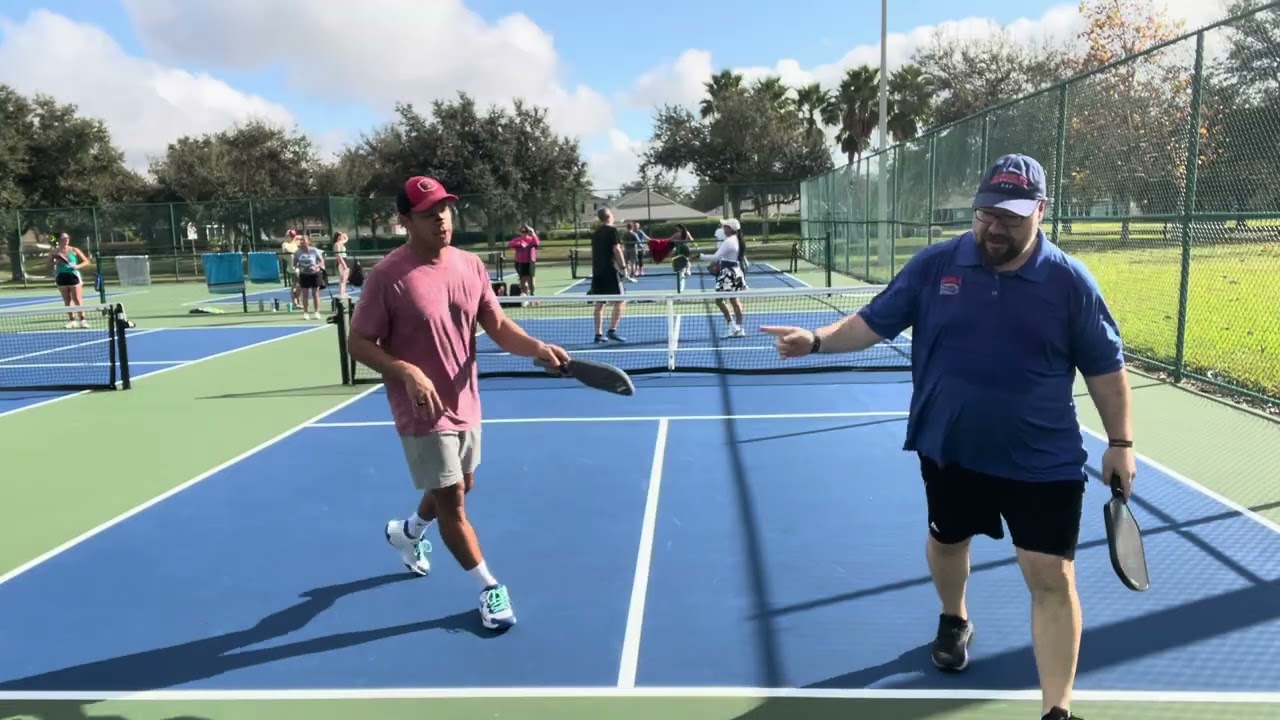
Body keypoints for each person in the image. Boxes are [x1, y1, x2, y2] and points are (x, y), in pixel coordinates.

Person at [761, 154, 1136, 720]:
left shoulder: (1070, 282)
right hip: (950, 448)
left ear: (1040, 211)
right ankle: (955, 617)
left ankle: (1056, 711)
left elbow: (1106, 371)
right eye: (986, 213)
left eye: (1010, 216)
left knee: (1051, 576)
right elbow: (870, 322)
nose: (994, 227)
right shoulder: (937, 265)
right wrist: (816, 340)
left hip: (1042, 459)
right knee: (947, 542)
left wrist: (1121, 443)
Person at [347, 175, 571, 632]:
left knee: (463, 484)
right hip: (422, 410)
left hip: (466, 399)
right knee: (454, 506)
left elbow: (498, 326)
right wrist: (407, 372)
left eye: (445, 209)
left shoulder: (470, 266)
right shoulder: (388, 277)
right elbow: (357, 343)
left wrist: (537, 349)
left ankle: (407, 532)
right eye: (429, 213)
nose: (441, 219)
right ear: (406, 220)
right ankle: (489, 588)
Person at [694, 218, 749, 338]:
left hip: (729, 273)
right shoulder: (736, 240)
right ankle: (738, 328)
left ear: (730, 229)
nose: (723, 228)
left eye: (725, 226)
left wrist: (701, 256)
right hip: (734, 271)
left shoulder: (729, 241)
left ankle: (733, 326)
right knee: (734, 301)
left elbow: (716, 257)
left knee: (720, 300)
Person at [589, 207, 628, 343]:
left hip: (598, 272)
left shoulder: (596, 233)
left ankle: (598, 335)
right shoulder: (612, 231)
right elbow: (616, 249)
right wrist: (623, 268)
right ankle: (612, 331)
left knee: (600, 303)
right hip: (610, 271)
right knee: (621, 300)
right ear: (609, 216)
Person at [48, 232, 91, 328]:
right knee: (67, 299)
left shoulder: (74, 250)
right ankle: (72, 320)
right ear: (59, 240)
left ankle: (83, 320)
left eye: (67, 238)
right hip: (61, 276)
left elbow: (86, 261)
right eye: (64, 238)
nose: (66, 239)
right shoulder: (54, 252)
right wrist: (55, 262)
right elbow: (48, 265)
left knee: (77, 299)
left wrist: (77, 266)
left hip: (73, 276)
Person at [293, 234, 325, 319]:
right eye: (301, 240)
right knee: (305, 294)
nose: (302, 241)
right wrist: (299, 267)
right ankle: (306, 312)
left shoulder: (314, 251)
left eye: (304, 240)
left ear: (309, 242)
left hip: (315, 274)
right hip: (304, 275)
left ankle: (316, 312)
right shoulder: (297, 252)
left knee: (315, 294)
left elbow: (321, 261)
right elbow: (295, 264)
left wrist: (316, 266)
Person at [507, 224, 540, 297]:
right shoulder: (517, 239)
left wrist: (533, 233)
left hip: (530, 262)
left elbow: (537, 243)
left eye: (526, 231)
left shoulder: (532, 239)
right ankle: (526, 297)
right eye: (522, 231)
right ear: (520, 232)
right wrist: (520, 244)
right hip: (520, 263)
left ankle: (532, 295)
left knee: (531, 280)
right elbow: (510, 244)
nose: (524, 233)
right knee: (523, 280)